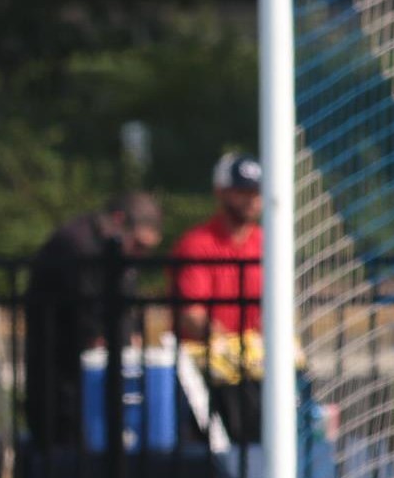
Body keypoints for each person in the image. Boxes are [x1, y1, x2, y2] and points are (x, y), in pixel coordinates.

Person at [22, 192, 164, 447]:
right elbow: (91, 317)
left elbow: (121, 309)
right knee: (66, 451)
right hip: (62, 375)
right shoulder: (78, 246)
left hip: (90, 373)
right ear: (119, 220)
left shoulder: (113, 251)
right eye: (139, 245)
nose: (140, 255)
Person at [171, 152, 266, 444]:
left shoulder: (268, 242)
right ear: (221, 193)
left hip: (257, 364)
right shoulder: (197, 244)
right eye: (242, 191)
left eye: (256, 192)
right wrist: (229, 346)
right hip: (210, 366)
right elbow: (192, 316)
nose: (251, 199)